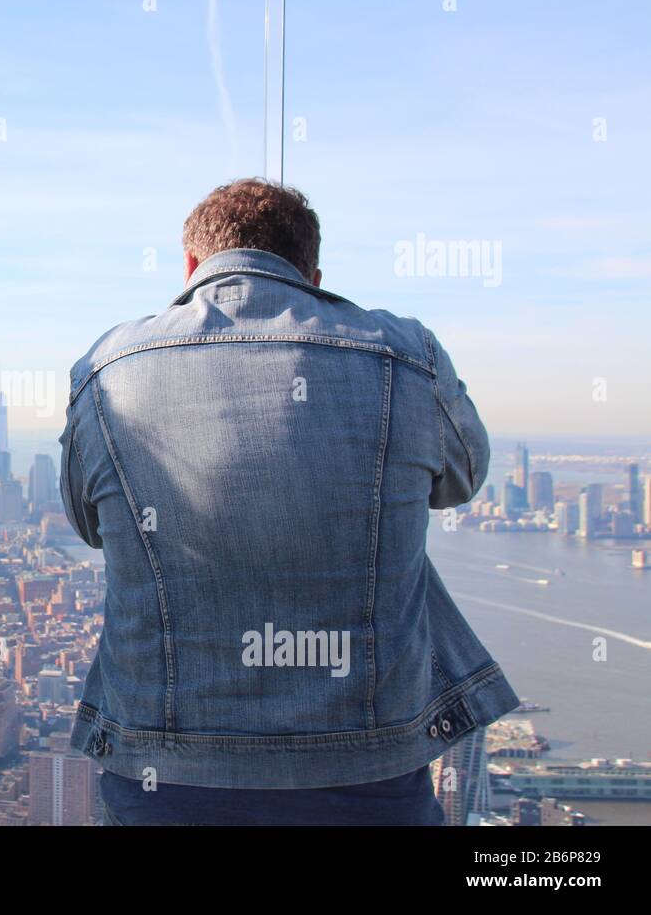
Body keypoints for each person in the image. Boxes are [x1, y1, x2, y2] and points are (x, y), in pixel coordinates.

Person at [58, 178, 519, 825]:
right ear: (314, 274)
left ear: (190, 267)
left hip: (163, 777)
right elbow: (462, 477)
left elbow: (89, 521)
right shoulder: (405, 356)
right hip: (370, 773)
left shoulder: (107, 369)